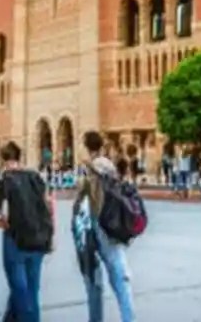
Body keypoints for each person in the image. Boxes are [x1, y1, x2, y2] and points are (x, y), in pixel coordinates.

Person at [0, 141, 54, 322]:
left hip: (16, 240)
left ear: (4, 160)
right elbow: (48, 204)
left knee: (20, 291)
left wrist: (1, 221)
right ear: (19, 157)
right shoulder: (36, 177)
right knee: (31, 290)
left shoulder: (5, 179)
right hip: (39, 240)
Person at [75, 131, 135, 322]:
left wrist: (86, 165)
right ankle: (128, 318)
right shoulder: (107, 166)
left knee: (99, 279)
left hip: (98, 225)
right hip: (109, 225)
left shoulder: (96, 165)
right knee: (118, 278)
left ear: (87, 146)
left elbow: (83, 192)